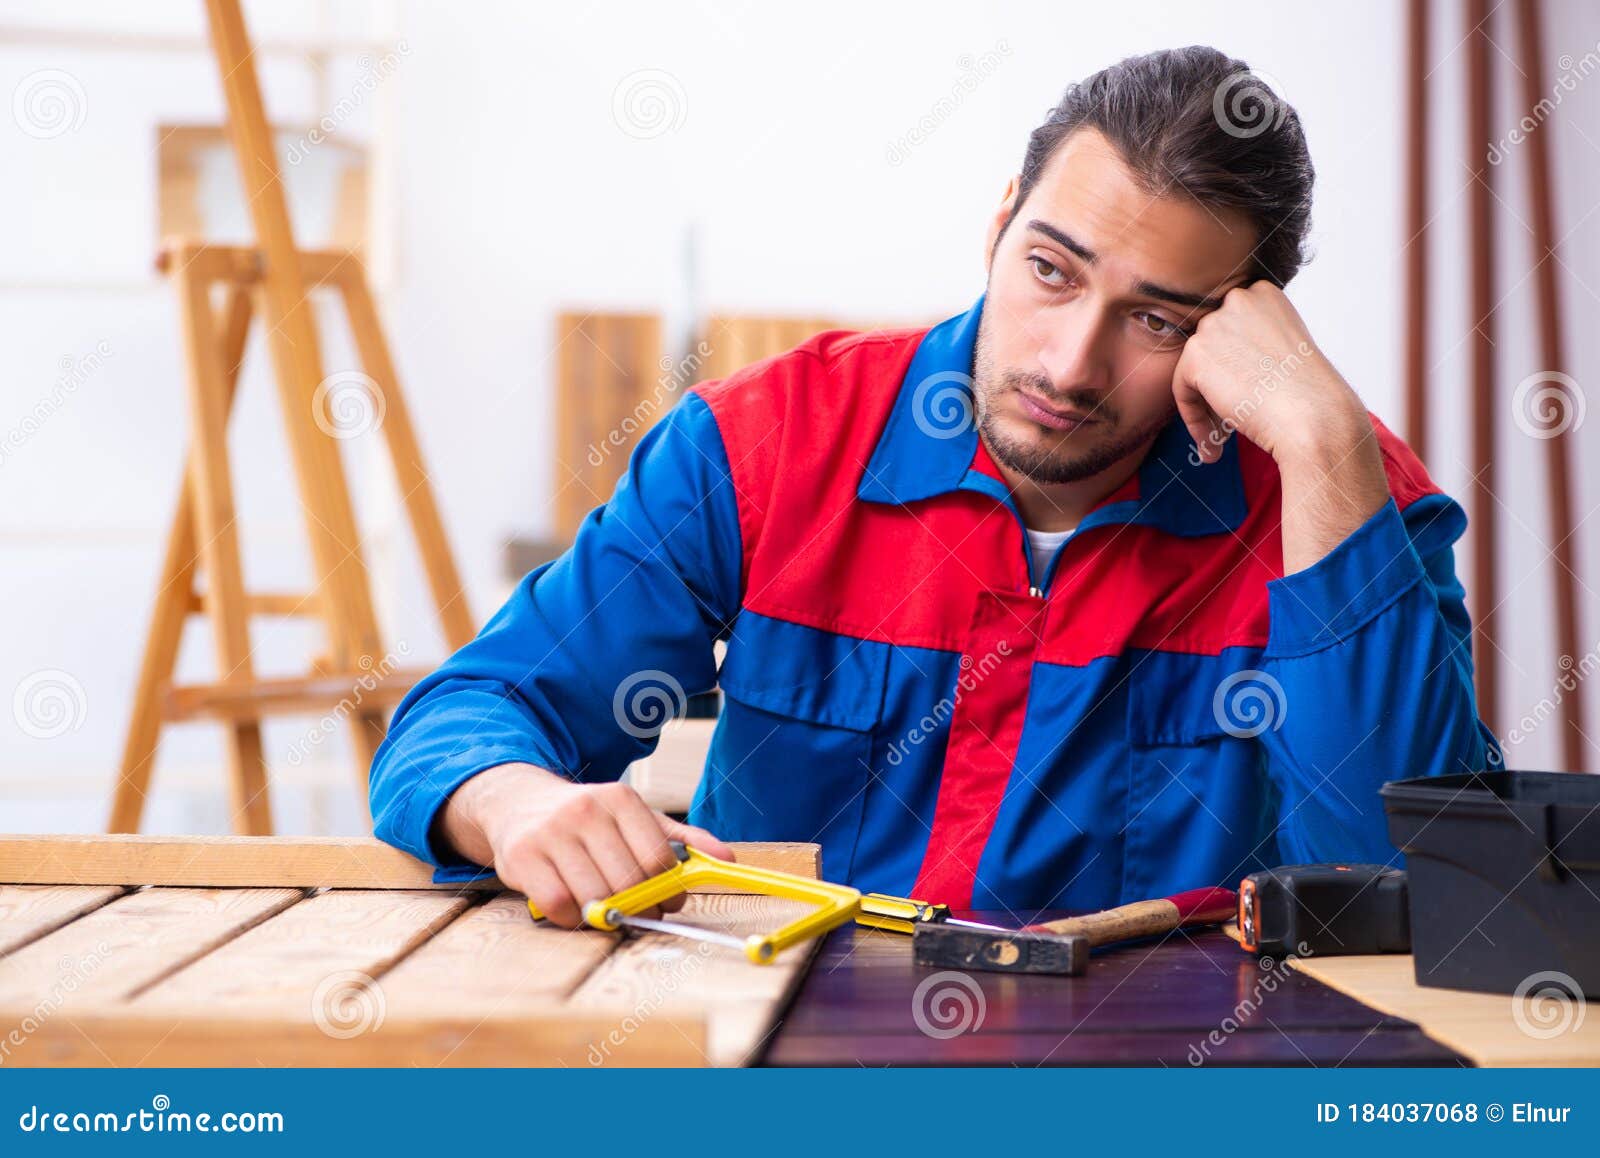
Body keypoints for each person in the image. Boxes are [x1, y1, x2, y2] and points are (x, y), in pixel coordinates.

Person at [370, 45, 1499, 926]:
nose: (1067, 364)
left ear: (1248, 327)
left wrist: (1325, 444)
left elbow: (1424, 894)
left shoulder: (1342, 499)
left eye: (1157, 319)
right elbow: (465, 717)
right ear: (1000, 220)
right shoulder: (765, 445)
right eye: (1049, 271)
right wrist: (515, 801)